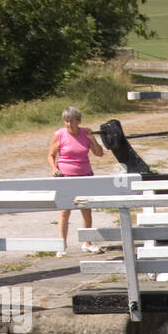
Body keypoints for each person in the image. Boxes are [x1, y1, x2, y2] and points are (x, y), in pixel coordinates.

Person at [48, 107, 104, 254]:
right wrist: (54, 168)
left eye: (71, 121)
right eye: (66, 121)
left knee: (86, 210)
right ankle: (62, 245)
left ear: (78, 121)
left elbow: (99, 154)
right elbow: (51, 155)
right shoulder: (59, 135)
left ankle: (87, 242)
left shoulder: (85, 133)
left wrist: (92, 139)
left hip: (85, 175)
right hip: (65, 177)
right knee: (64, 211)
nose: (68, 124)